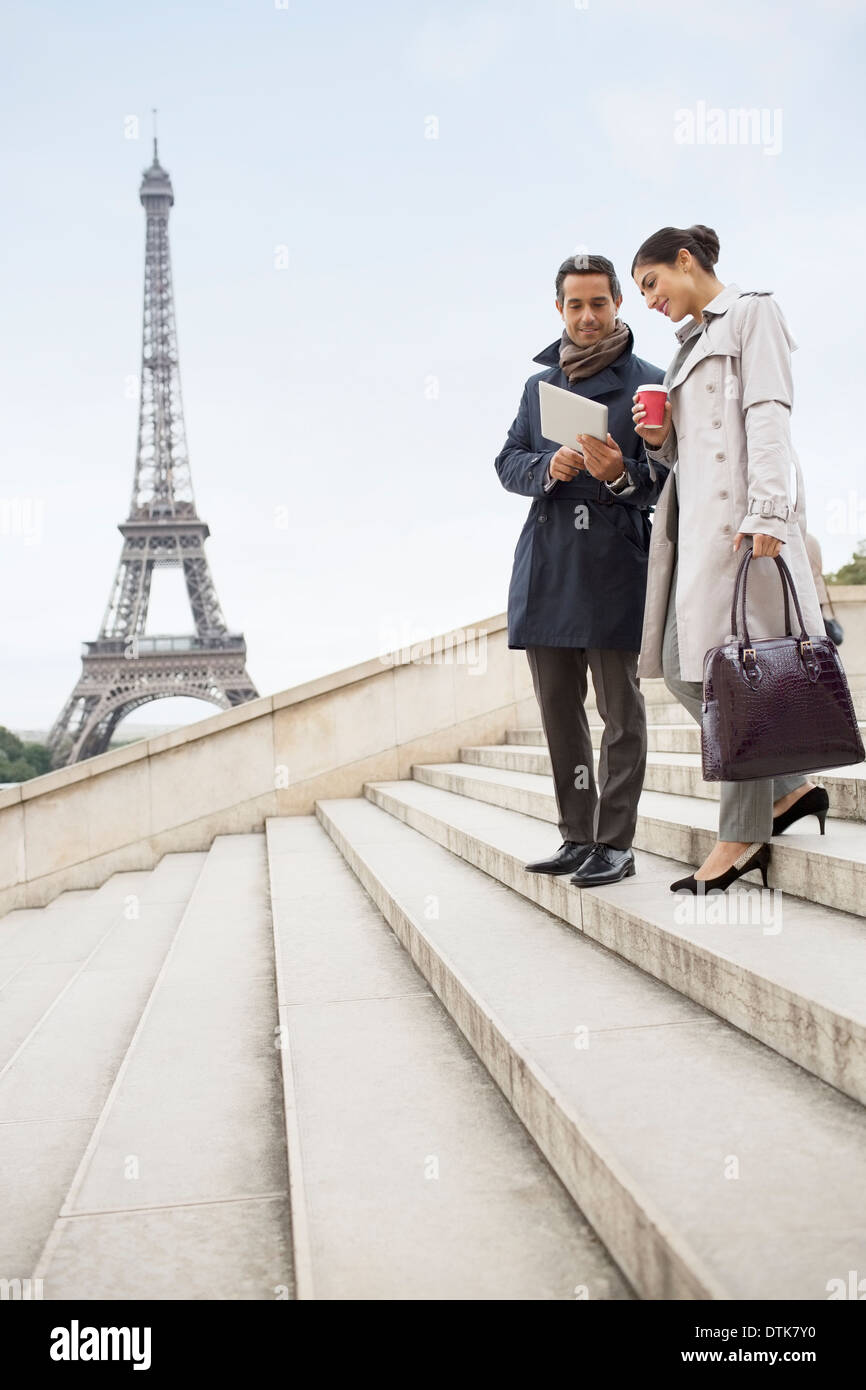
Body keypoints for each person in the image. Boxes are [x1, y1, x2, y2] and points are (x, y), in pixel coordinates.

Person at [630, 224, 829, 894]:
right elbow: (688, 455)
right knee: (687, 673)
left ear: (685, 261)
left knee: (724, 682)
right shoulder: (684, 351)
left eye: (651, 283)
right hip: (694, 539)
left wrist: (770, 510)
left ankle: (741, 835)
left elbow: (768, 412)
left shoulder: (752, 313)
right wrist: (659, 438)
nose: (649, 301)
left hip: (744, 532)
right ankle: (789, 787)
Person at [494, 253, 667, 888]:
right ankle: (577, 835)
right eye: (576, 304)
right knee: (559, 712)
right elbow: (507, 460)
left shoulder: (651, 382)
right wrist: (548, 471)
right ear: (559, 309)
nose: (588, 316)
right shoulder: (539, 388)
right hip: (546, 568)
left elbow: (666, 482)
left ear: (618, 303)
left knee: (621, 714)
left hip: (614, 565)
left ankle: (615, 844)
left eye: (599, 302)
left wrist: (617, 474)